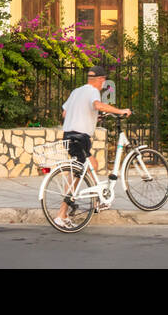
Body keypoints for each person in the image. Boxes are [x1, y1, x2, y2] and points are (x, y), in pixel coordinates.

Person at [54, 65, 130, 227]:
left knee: (91, 165)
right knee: (76, 174)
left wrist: (92, 116)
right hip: (81, 137)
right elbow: (98, 105)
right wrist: (120, 111)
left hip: (69, 135)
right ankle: (61, 214)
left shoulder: (77, 91)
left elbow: (65, 113)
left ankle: (97, 202)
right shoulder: (93, 91)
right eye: (104, 81)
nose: (104, 84)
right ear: (101, 80)